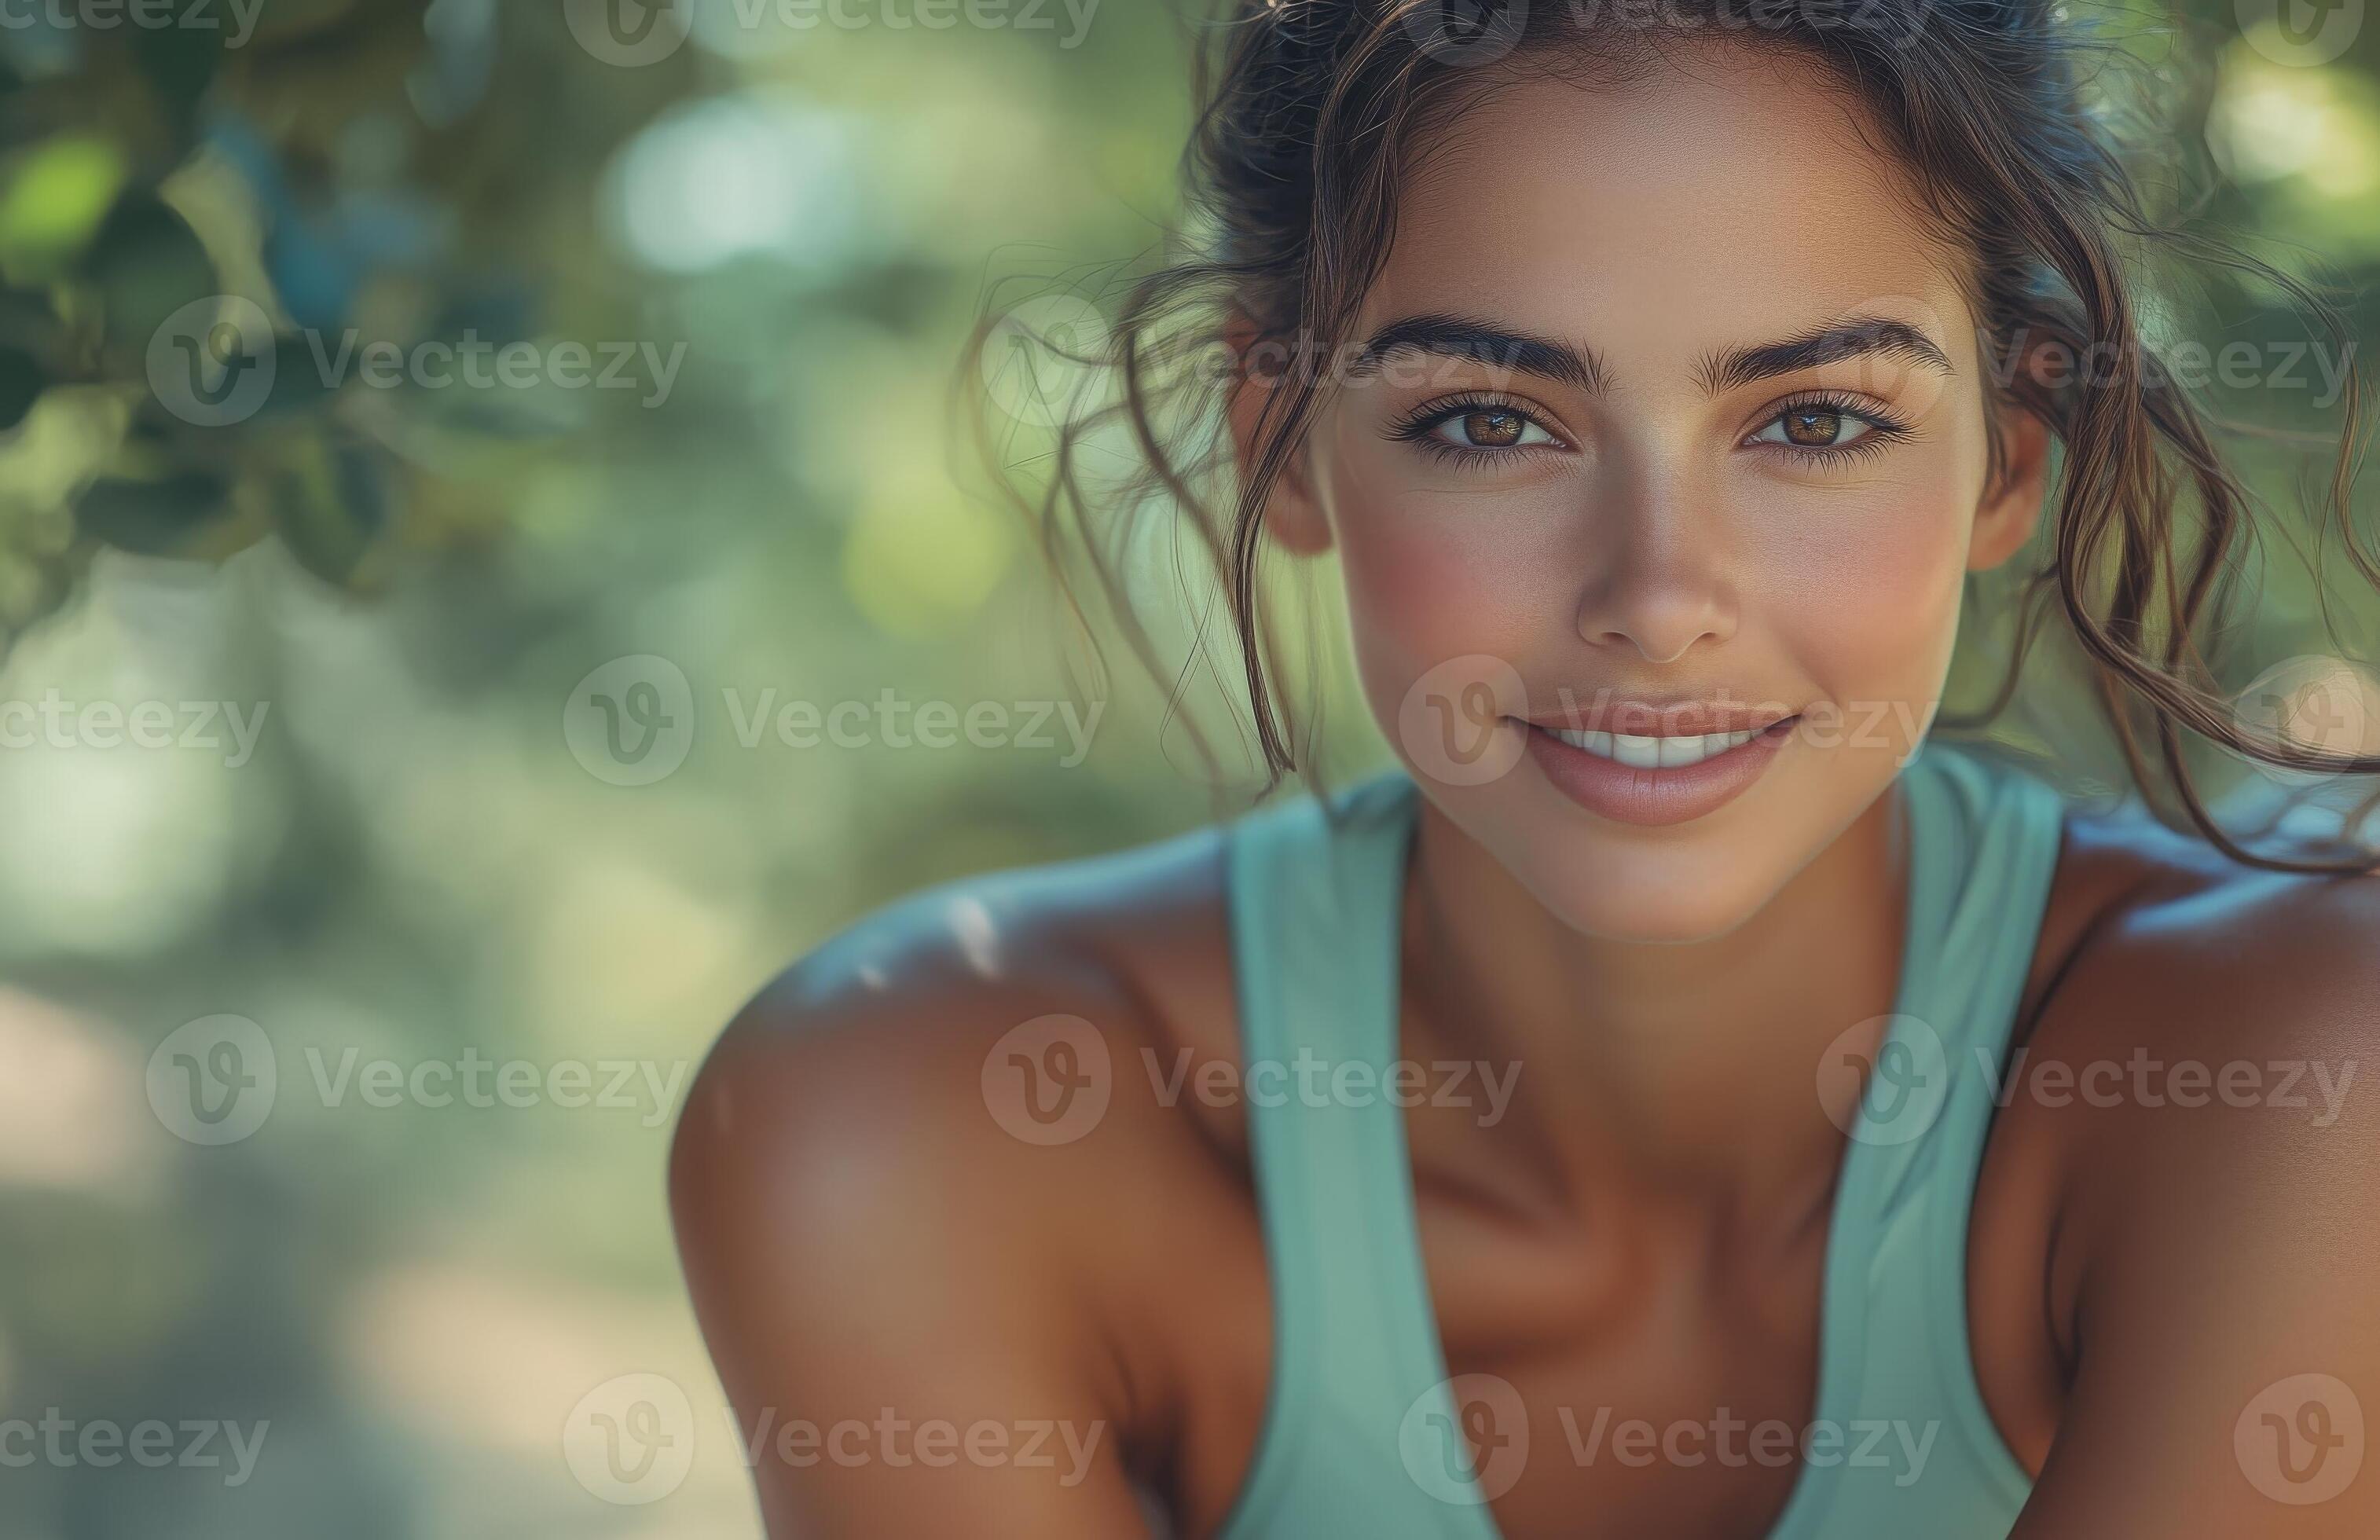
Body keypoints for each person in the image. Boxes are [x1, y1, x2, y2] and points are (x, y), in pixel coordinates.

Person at [669, 2, 2380, 1534]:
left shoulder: (2299, 1084)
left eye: (1815, 420)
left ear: (2007, 463)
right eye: (1493, 420)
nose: (1657, 601)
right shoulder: (919, 1127)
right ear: (1288, 447)